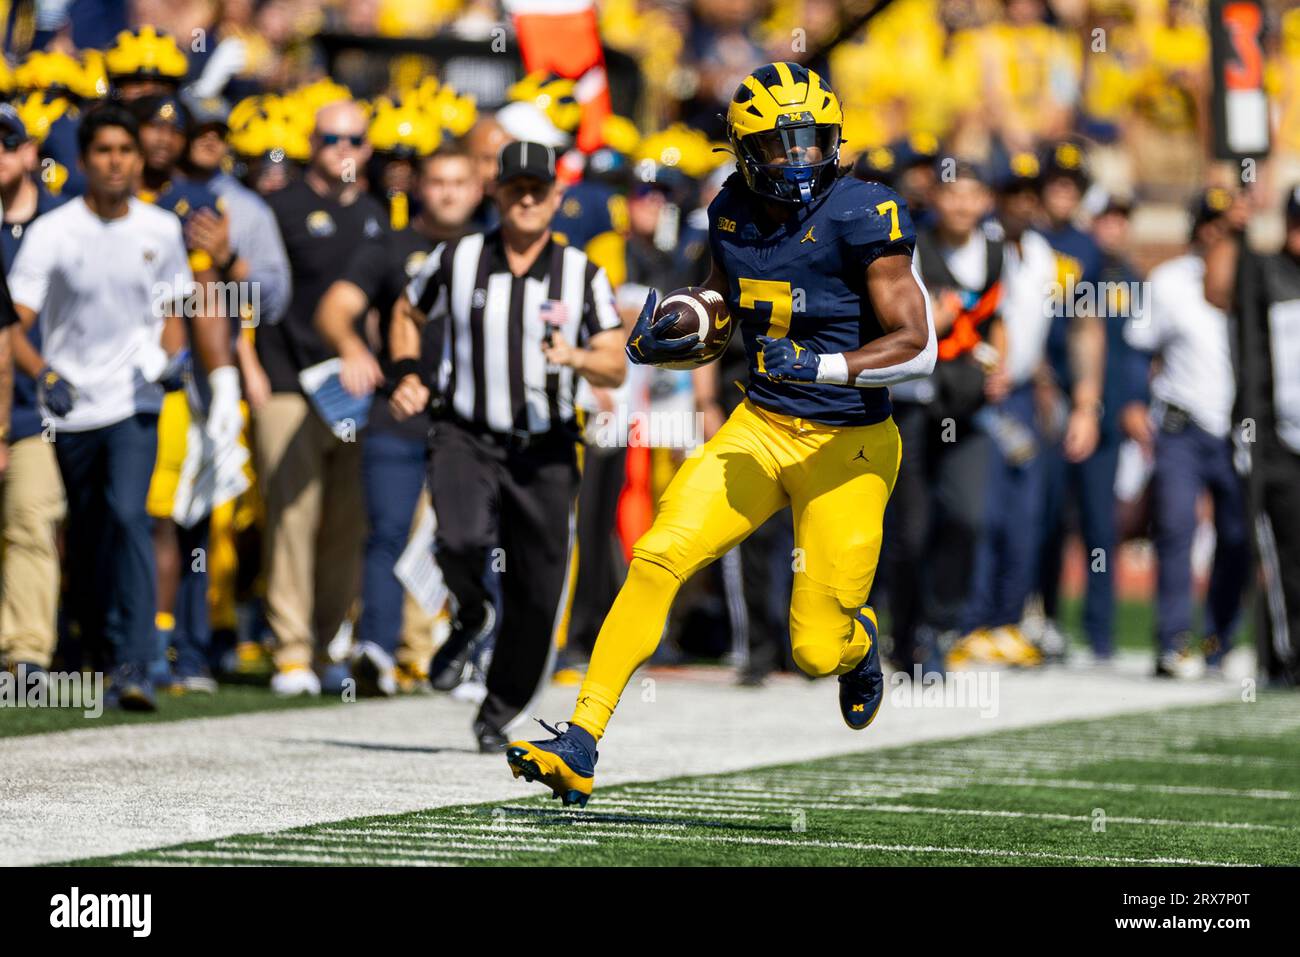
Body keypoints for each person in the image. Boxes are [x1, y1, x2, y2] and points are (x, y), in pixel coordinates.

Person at [505, 63, 935, 806]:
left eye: (811, 142)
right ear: (744, 151)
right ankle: (581, 739)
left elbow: (917, 342)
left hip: (849, 447)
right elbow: (724, 301)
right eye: (780, 145)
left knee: (812, 647)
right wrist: (683, 324)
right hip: (761, 425)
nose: (799, 159)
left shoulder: (866, 212)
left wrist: (824, 364)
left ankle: (859, 644)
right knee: (658, 554)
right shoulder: (732, 209)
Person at [389, 140, 626, 752]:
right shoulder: (458, 257)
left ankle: (498, 709)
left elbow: (615, 364)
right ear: (496, 193)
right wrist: (409, 372)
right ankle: (471, 613)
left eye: (537, 189)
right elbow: (406, 311)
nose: (526, 198)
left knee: (538, 587)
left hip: (546, 447)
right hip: (466, 433)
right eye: (515, 187)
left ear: (556, 198)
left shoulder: (581, 274)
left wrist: (575, 356)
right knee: (460, 537)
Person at [6, 104, 239, 709]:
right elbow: (15, 326)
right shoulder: (53, 233)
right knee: (84, 533)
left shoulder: (160, 229)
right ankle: (90, 650)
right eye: (104, 151)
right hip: (66, 409)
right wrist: (44, 372)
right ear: (84, 162)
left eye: (126, 151)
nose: (116, 162)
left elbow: (171, 315)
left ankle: (137, 664)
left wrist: (169, 361)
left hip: (133, 402)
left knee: (131, 516)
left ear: (140, 161)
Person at [315, 144, 482, 696]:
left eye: (460, 181)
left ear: (478, 189)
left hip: (473, 417)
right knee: (386, 532)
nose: (449, 192)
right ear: (419, 188)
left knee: (469, 539)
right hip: (400, 409)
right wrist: (353, 349)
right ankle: (376, 652)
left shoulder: (494, 250)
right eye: (438, 182)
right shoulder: (390, 246)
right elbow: (336, 307)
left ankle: (464, 655)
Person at [251, 99, 387, 696]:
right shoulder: (278, 209)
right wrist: (248, 373)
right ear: (312, 142)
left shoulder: (378, 216)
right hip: (286, 381)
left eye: (354, 140)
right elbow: (243, 293)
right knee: (291, 521)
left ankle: (328, 642)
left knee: (345, 525)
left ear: (368, 150)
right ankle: (290, 652)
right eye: (331, 138)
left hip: (355, 393)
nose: (343, 149)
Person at [885, 159, 1006, 673]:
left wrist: (1003, 363)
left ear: (984, 202)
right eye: (951, 193)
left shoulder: (996, 251)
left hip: (968, 404)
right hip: (914, 401)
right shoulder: (908, 246)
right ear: (934, 197)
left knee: (969, 516)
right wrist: (927, 324)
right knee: (909, 530)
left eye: (971, 195)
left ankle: (939, 623)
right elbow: (889, 316)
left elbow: (999, 318)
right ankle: (906, 635)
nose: (961, 204)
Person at [1124, 188, 1250, 678]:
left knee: (1237, 535)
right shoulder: (1169, 281)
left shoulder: (1248, 276)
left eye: (1226, 224)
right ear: (1198, 228)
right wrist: (1135, 402)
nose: (1217, 232)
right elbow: (1139, 346)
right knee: (1175, 528)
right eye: (1210, 223)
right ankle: (1173, 641)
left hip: (1238, 427)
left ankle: (1221, 639)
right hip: (1180, 424)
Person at [1205, 186, 1300, 686]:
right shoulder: (1263, 269)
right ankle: (1286, 659)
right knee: (1284, 553)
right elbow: (1217, 289)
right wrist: (1234, 228)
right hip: (1275, 437)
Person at [0, 103, 66, 683]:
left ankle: (26, 651)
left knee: (31, 520)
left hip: (40, 410)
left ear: (29, 154)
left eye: (6, 142)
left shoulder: (64, 224)